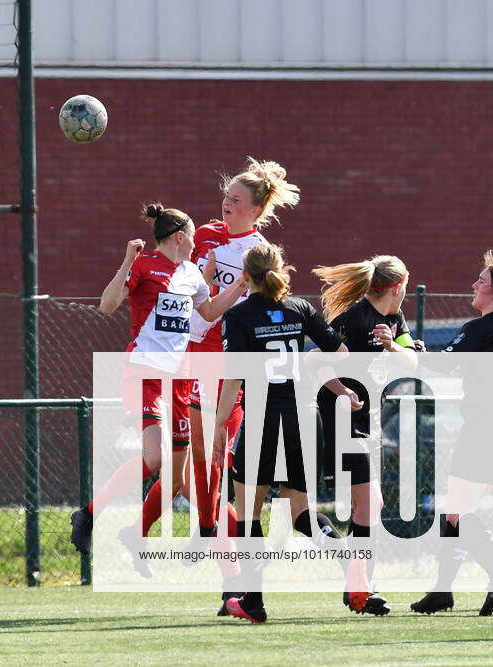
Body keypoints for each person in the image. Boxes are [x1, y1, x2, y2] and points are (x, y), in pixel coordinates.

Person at [138, 159, 300, 613]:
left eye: (235, 200)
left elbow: (261, 312)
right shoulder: (205, 235)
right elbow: (187, 292)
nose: (225, 204)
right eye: (225, 196)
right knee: (189, 468)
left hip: (230, 370)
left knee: (210, 468)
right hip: (191, 362)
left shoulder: (261, 253)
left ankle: (226, 566)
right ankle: (227, 571)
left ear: (257, 208)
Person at [69, 203, 245, 559]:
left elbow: (208, 312)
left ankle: (187, 534)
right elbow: (107, 305)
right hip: (145, 373)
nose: (196, 244)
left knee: (177, 480)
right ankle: (88, 515)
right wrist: (126, 262)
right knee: (154, 457)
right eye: (193, 237)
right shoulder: (146, 265)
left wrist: (239, 286)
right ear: (180, 237)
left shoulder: (191, 274)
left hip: (179, 381)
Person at [212, 243, 373, 623]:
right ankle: (348, 557)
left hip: (265, 419)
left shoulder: (238, 317)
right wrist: (332, 382)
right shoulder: (299, 308)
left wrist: (219, 424)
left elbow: (234, 377)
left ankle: (252, 602)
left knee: (249, 514)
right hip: (304, 416)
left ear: (245, 276)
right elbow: (341, 352)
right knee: (300, 511)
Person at [311, 255, 421, 615]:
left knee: (369, 505)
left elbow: (412, 362)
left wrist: (394, 346)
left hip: (368, 418)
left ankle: (357, 585)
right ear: (398, 286)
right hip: (341, 416)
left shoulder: (394, 319)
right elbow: (317, 360)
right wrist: (342, 390)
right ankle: (362, 586)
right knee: (370, 503)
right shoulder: (353, 320)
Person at [411, 249, 493, 616]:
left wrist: (404, 346)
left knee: (457, 513)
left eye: (482, 281)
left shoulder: (479, 329)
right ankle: (444, 591)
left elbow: (441, 364)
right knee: (458, 511)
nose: (474, 285)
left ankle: (451, 589)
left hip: (482, 429)